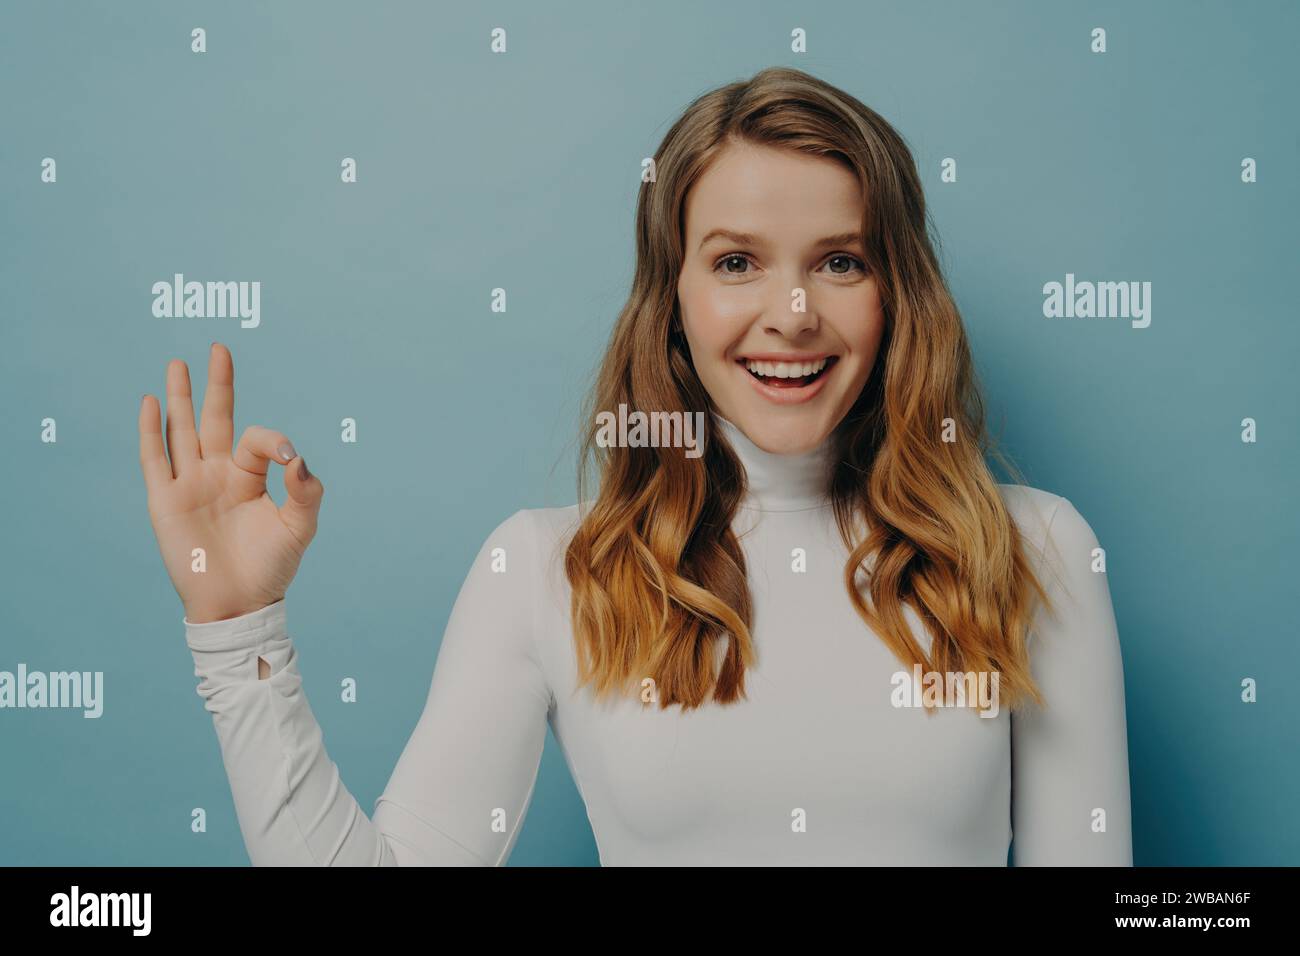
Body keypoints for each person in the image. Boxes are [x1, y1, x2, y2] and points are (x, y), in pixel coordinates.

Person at [138, 66, 1132, 866]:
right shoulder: (541, 570)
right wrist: (235, 630)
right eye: (736, 261)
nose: (791, 313)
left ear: (896, 294)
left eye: (840, 260)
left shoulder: (1034, 549)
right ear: (673, 301)